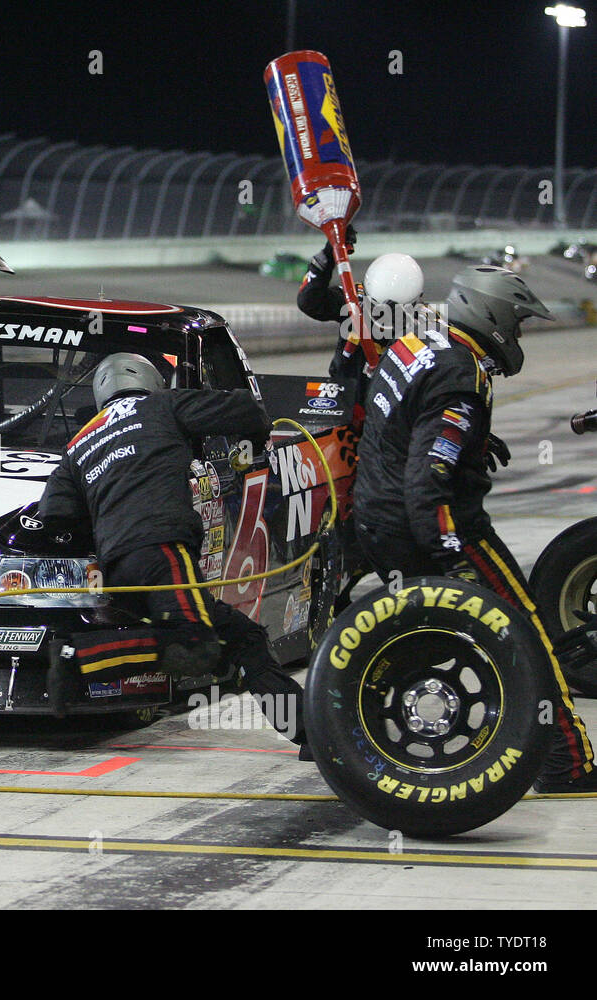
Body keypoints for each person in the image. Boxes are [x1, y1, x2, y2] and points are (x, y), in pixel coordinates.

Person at [353, 264, 597, 793]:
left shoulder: (415, 343)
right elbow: (428, 481)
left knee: (428, 645)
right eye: (519, 323)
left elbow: (394, 421)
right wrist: (455, 558)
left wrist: (473, 443)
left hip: (377, 520)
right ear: (496, 316)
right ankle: (567, 765)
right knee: (527, 634)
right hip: (436, 527)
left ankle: (354, 737)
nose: (520, 335)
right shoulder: (462, 375)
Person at [36, 353, 309, 748]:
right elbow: (244, 408)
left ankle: (310, 733)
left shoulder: (78, 443)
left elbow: (54, 514)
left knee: (243, 637)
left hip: (117, 570)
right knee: (194, 645)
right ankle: (77, 657)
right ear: (150, 381)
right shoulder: (161, 405)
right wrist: (253, 439)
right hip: (162, 551)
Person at [297, 226, 427, 382]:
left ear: (416, 300)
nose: (382, 319)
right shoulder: (353, 299)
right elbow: (309, 302)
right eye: (376, 309)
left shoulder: (427, 324)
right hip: (345, 390)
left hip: (391, 395)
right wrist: (330, 253)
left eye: (395, 313)